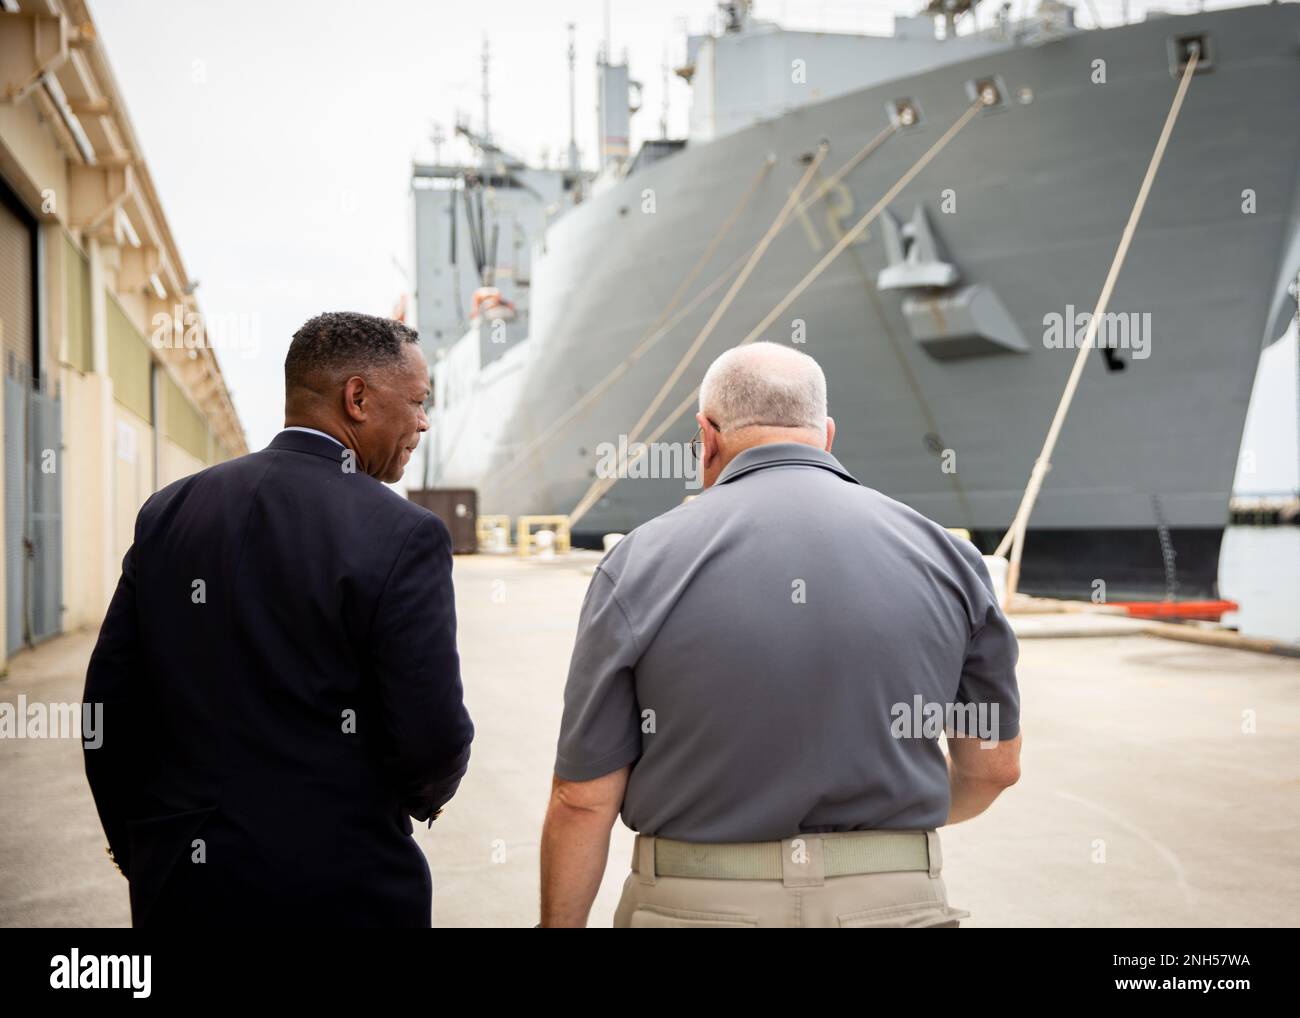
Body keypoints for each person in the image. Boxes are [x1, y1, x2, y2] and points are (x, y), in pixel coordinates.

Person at [540, 341, 1021, 928]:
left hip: (695, 903)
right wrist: (878, 839)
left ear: (706, 435)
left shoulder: (638, 562)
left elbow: (582, 798)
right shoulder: (950, 557)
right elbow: (994, 767)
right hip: (897, 904)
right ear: (827, 434)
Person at [83, 311, 473, 927]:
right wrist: (418, 800)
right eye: (419, 402)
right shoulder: (404, 535)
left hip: (182, 888)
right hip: (343, 890)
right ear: (358, 398)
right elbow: (432, 738)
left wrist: (145, 845)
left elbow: (107, 708)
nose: (424, 421)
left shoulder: (170, 512)